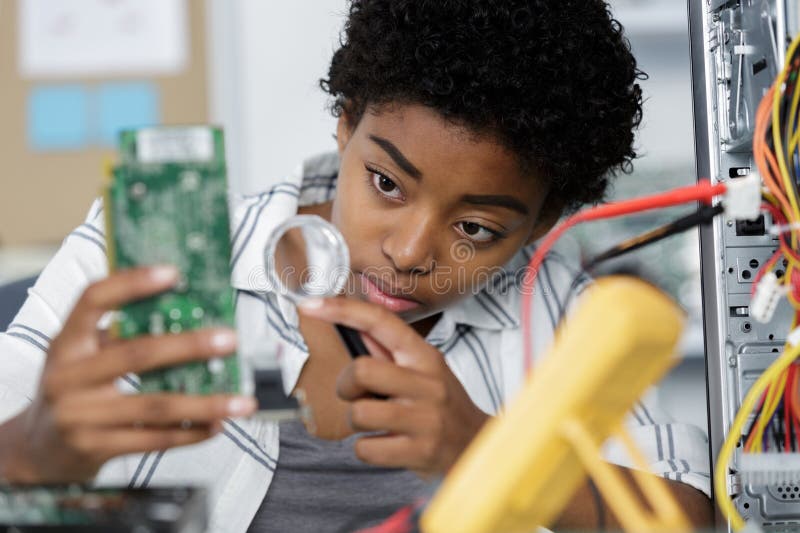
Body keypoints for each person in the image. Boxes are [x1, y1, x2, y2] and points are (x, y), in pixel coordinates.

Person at [0, 1, 713, 531]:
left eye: (475, 227)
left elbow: (684, 513)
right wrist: (35, 450)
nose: (408, 253)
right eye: (385, 183)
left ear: (543, 221)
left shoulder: (565, 314)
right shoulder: (151, 253)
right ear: (345, 121)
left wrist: (484, 445)